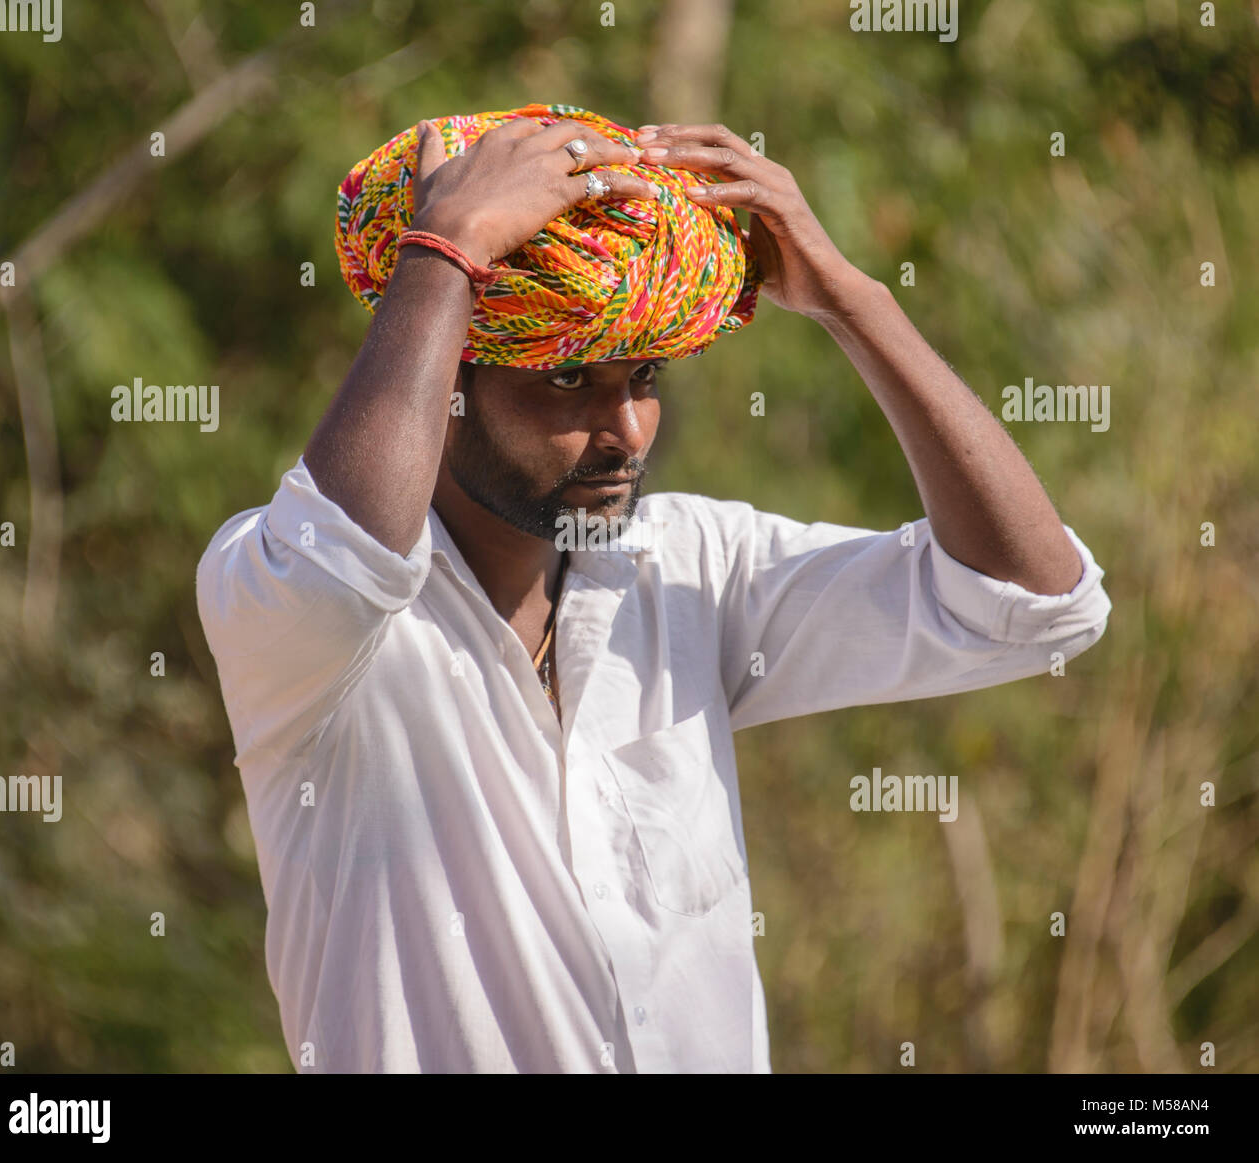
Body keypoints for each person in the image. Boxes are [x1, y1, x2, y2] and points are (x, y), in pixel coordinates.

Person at [196, 104, 1111, 1073]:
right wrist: (444, 250)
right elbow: (346, 558)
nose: (627, 430)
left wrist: (850, 299)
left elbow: (1033, 603)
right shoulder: (289, 609)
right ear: (445, 381)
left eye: (645, 377)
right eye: (567, 382)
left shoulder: (686, 569)